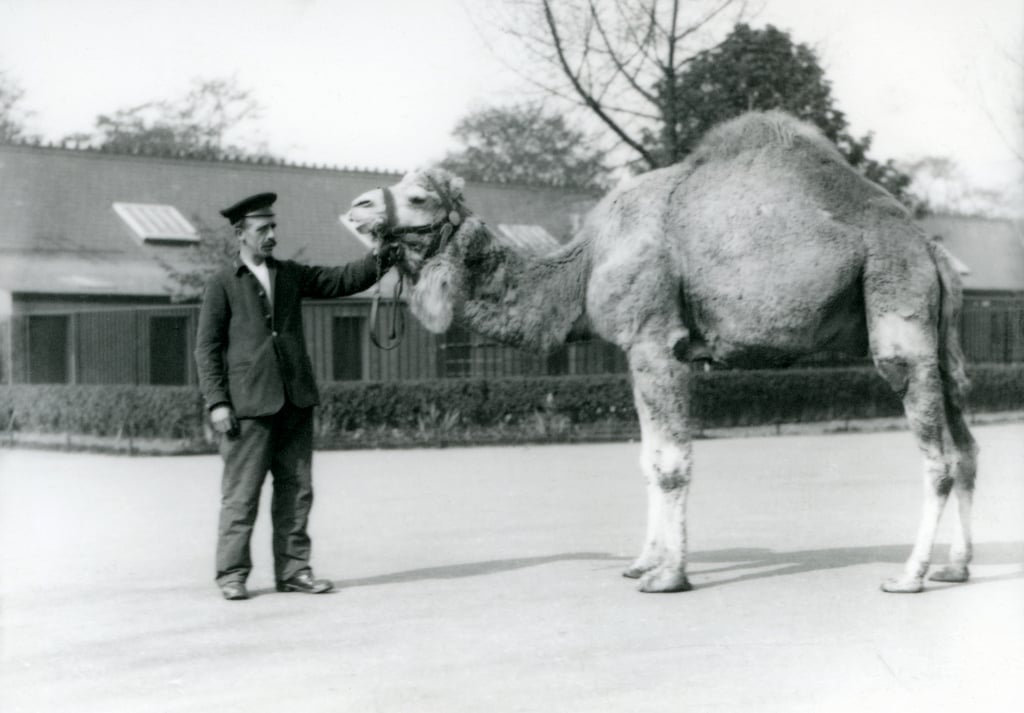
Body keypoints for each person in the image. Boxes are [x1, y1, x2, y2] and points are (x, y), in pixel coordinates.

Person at [194, 191, 391, 601]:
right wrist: (218, 402)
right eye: (263, 229)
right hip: (246, 409)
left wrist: (384, 254)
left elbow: (341, 280)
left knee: (297, 492)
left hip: (295, 402)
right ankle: (232, 575)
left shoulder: (290, 274)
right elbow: (207, 348)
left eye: (273, 227)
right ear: (241, 234)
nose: (271, 235)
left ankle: (294, 571)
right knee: (241, 496)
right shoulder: (222, 283)